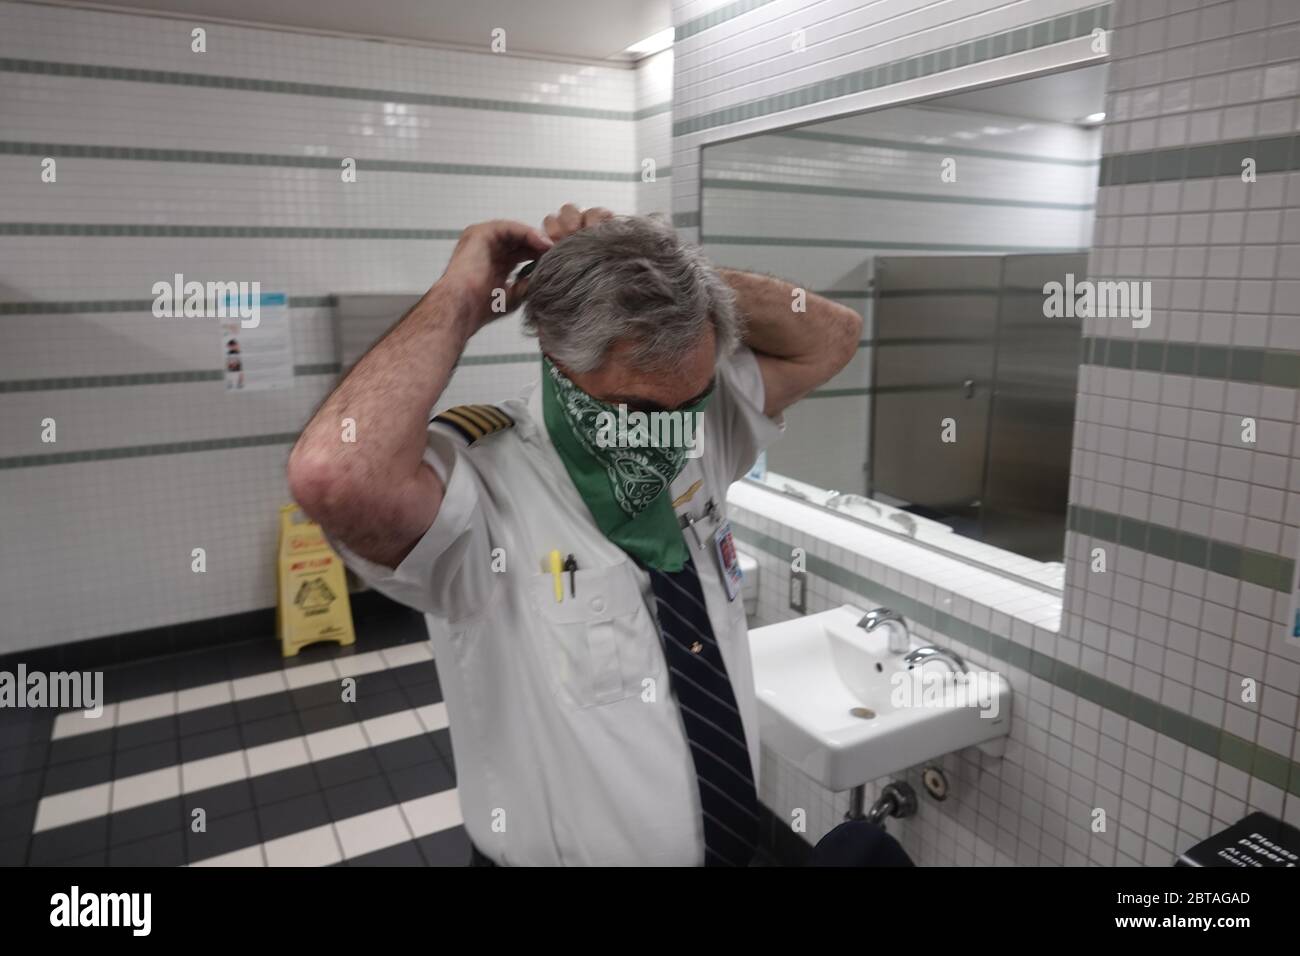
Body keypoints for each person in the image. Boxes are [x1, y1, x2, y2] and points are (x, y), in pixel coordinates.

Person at [288, 205, 861, 865]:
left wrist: (670, 269)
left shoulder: (697, 430)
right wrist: (463, 297)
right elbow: (333, 472)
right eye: (636, 412)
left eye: (692, 403)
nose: (666, 440)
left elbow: (834, 336)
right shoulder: (483, 488)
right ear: (559, 361)